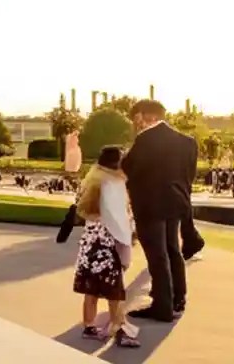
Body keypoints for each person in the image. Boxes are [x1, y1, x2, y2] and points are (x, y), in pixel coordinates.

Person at [122, 99, 196, 322]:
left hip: (150, 204)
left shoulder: (146, 139)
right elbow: (189, 175)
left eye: (137, 119)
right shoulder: (188, 142)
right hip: (175, 202)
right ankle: (177, 298)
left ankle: (162, 306)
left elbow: (129, 168)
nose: (137, 124)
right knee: (173, 249)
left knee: (157, 255)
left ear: (145, 116)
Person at [74, 146, 140, 348]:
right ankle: (119, 329)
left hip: (90, 241)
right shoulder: (114, 183)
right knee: (114, 290)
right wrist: (126, 247)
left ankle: (89, 326)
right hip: (108, 243)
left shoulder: (93, 179)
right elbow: (118, 220)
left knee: (91, 288)